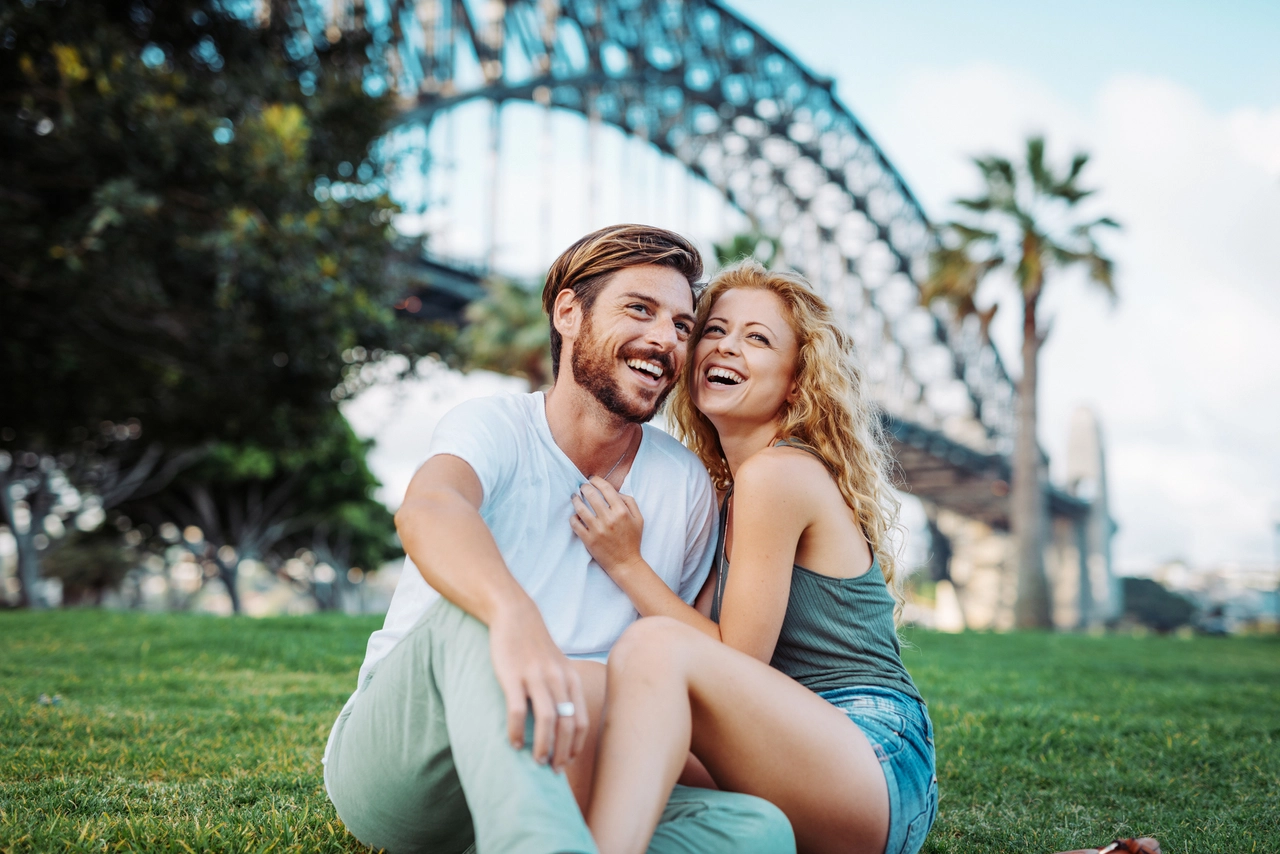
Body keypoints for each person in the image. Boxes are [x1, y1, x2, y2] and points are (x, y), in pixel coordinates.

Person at [322, 226, 795, 854]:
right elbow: (429, 508)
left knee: (758, 832)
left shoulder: (685, 485)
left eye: (683, 326)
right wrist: (513, 617)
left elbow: (693, 670)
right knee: (468, 618)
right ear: (568, 313)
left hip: (573, 761)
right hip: (415, 765)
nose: (665, 339)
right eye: (640, 309)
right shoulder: (494, 425)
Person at [570, 260, 938, 854]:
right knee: (581, 693)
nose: (725, 346)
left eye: (757, 338)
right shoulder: (727, 491)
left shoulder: (777, 474)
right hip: (791, 748)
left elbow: (733, 657)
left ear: (796, 382)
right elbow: (701, 654)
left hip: (873, 755)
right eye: (714, 330)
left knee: (652, 645)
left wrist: (625, 563)